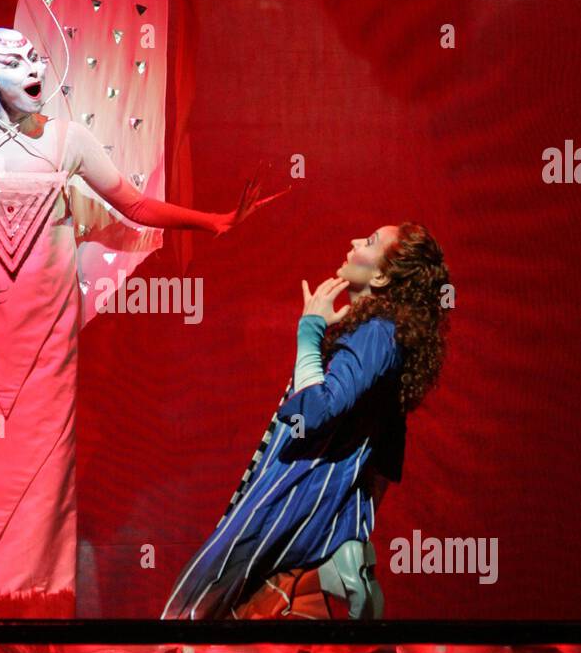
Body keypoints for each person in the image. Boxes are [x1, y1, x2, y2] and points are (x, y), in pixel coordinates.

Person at [0, 26, 263, 617]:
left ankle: (26, 620)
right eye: (12, 60)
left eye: (33, 53)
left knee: (37, 493)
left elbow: (133, 206)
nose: (31, 63)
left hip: (45, 349)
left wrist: (210, 221)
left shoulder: (69, 140)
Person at [162, 222, 450, 620]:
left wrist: (309, 331)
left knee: (194, 610)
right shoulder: (385, 337)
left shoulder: (377, 334)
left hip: (294, 498)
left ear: (382, 276)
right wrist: (353, 523)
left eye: (368, 242)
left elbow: (315, 412)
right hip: (311, 504)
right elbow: (386, 458)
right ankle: (338, 560)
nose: (352, 240)